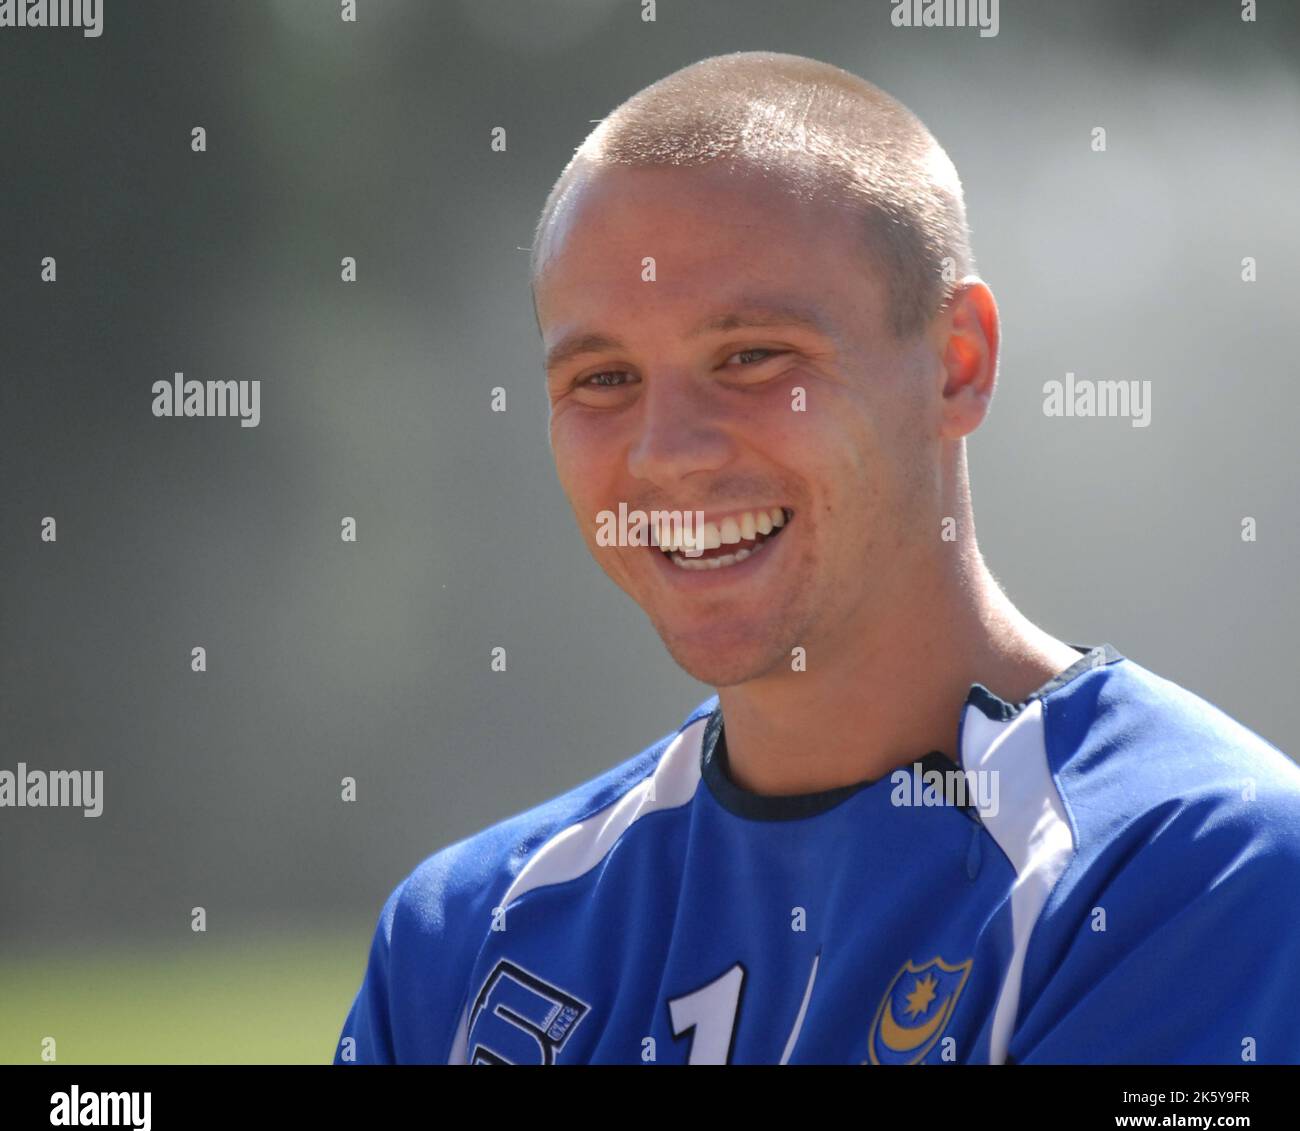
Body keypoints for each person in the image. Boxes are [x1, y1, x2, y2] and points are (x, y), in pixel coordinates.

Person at [335, 51, 1300, 1065]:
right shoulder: (462, 935)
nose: (667, 452)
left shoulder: (1197, 867)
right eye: (604, 376)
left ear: (956, 361)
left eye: (751, 357)